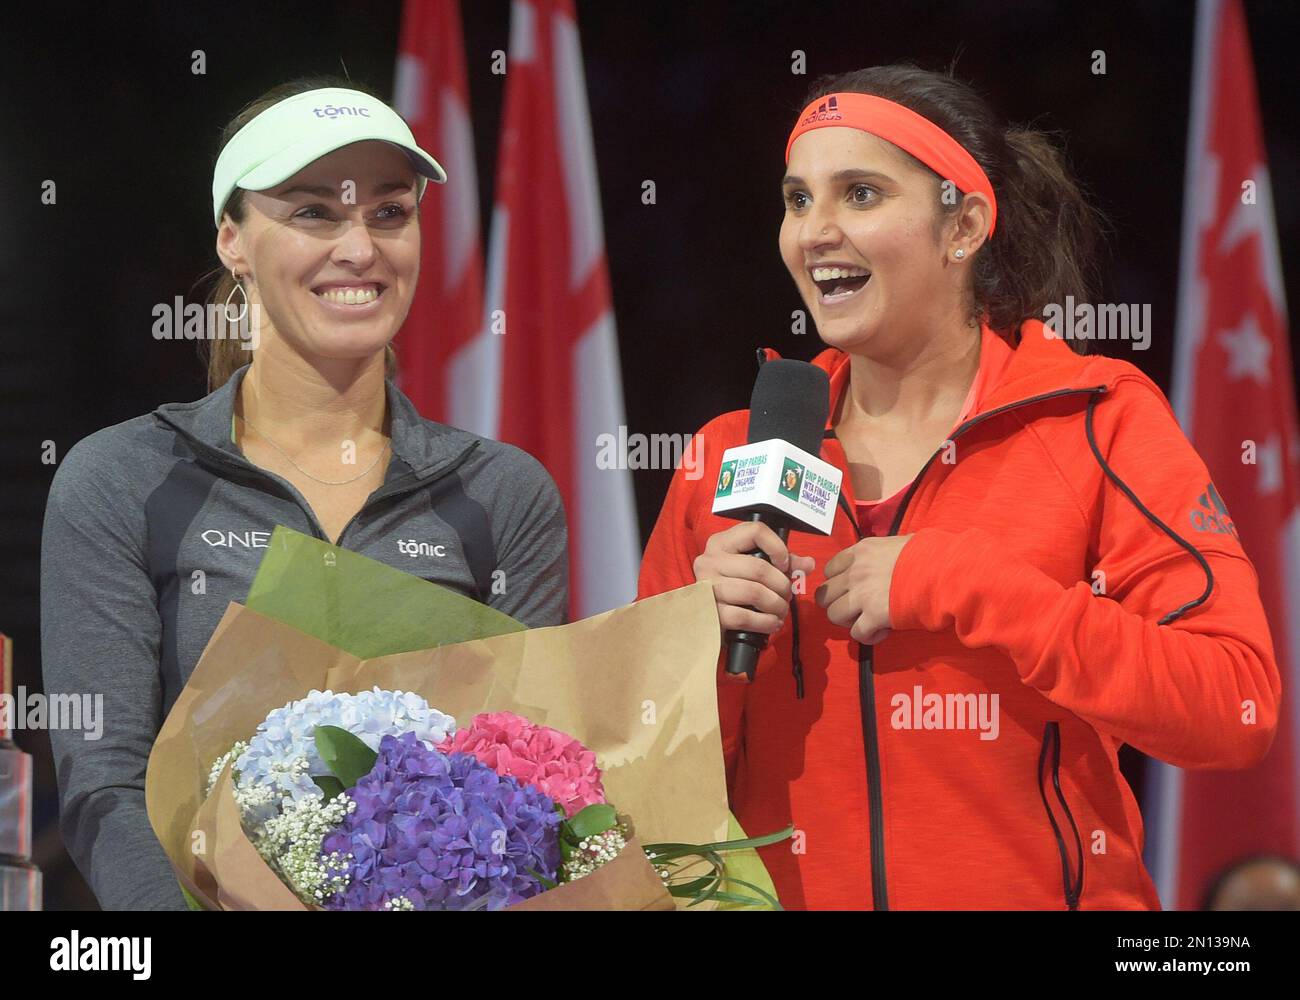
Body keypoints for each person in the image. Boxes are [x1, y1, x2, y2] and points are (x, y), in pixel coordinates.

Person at [638, 64, 1282, 910]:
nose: (814, 232)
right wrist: (698, 654)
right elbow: (640, 800)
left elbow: (1234, 704)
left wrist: (973, 586)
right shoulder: (731, 453)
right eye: (798, 199)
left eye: (860, 194)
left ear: (964, 225)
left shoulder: (1097, 420)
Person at [40, 77, 569, 910]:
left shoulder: (504, 493)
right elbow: (106, 789)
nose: (360, 249)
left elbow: (527, 787)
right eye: (314, 212)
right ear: (233, 241)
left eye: (390, 212)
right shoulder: (122, 478)